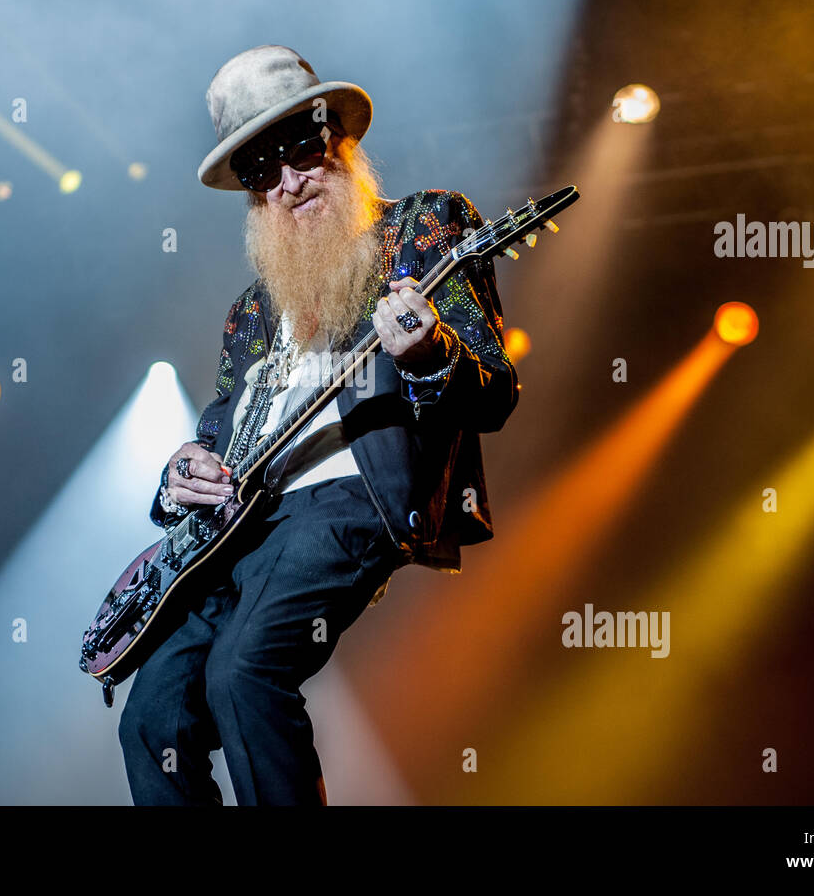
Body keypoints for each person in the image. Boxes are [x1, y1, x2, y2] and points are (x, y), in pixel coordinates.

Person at [116, 45, 519, 805]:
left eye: (302, 147)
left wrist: (428, 349)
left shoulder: (426, 228)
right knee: (151, 716)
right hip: (240, 526)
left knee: (244, 671)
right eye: (262, 170)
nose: (290, 180)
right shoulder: (251, 308)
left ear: (339, 138)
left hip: (345, 496)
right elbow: (216, 431)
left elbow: (494, 388)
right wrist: (183, 474)